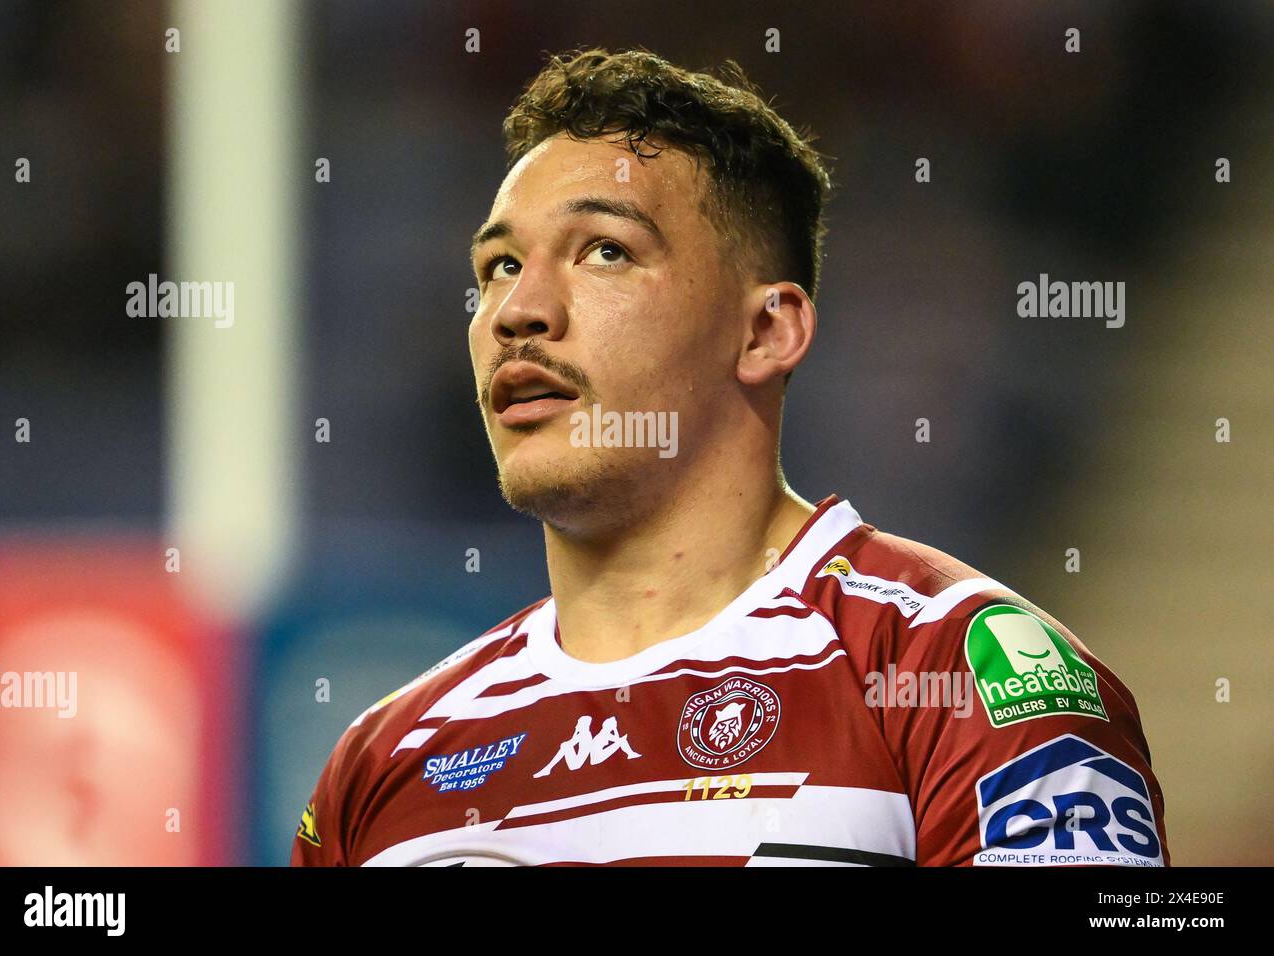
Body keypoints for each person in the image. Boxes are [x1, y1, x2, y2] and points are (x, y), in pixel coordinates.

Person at [292, 48, 1168, 867]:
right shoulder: (381, 766)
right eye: (498, 266)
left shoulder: (961, 673)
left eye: (605, 251)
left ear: (766, 330)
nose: (519, 310)